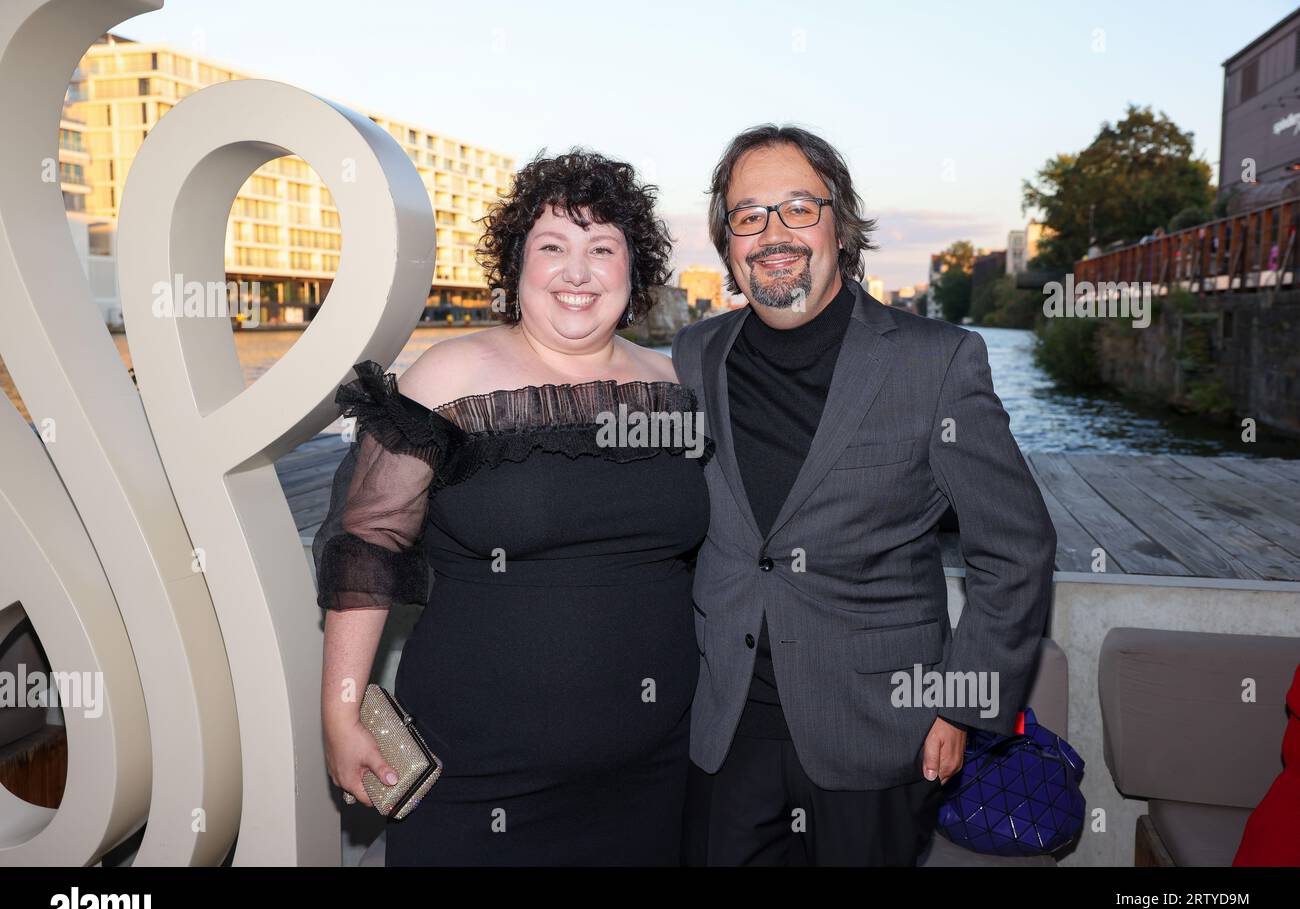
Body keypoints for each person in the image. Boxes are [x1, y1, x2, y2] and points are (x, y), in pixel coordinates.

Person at [314, 149, 712, 865]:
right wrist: (341, 711)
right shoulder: (449, 379)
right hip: (476, 776)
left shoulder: (679, 385)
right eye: (552, 246)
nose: (577, 271)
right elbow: (367, 547)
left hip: (650, 772)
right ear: (517, 264)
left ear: (635, 268)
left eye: (602, 247)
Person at [673, 124, 1057, 866]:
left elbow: (1016, 546)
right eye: (748, 214)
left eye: (798, 208)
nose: (773, 232)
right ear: (726, 243)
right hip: (724, 727)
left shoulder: (936, 361)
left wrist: (960, 704)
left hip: (883, 730)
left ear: (840, 226)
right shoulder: (693, 357)